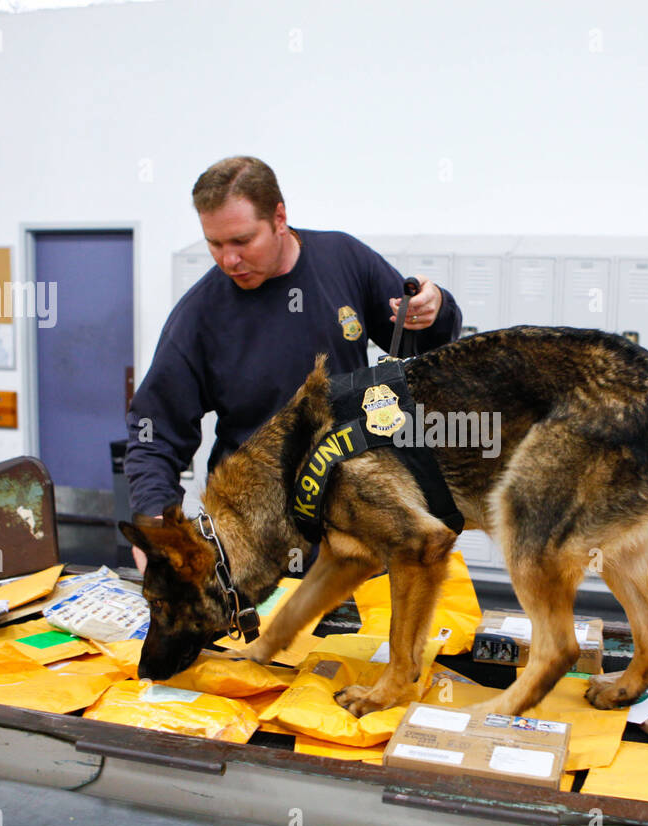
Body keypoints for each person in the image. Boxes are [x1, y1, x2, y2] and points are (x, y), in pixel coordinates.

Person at [124, 156, 462, 571]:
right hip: (256, 535)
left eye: (242, 241)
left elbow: (420, 341)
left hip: (357, 516)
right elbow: (154, 437)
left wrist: (436, 307)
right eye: (215, 244)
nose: (228, 260)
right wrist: (156, 522)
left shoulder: (344, 259)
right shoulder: (199, 317)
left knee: (364, 635)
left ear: (279, 218)